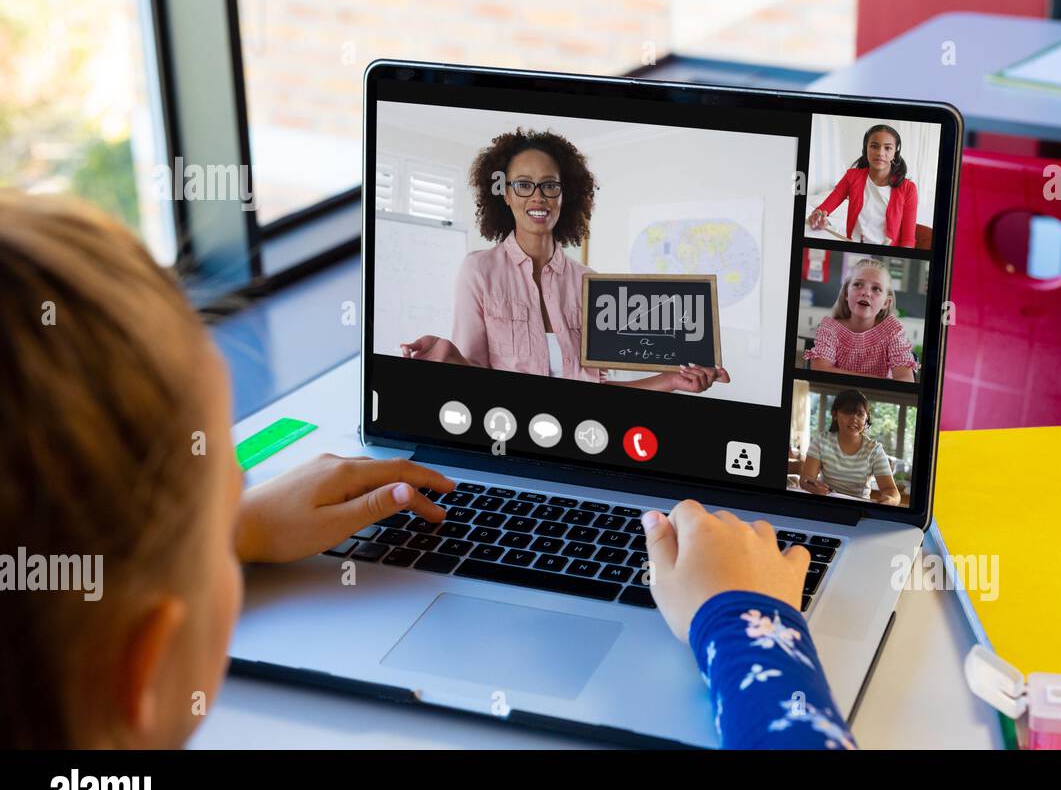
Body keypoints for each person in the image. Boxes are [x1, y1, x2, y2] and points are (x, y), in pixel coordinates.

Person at [1, 191, 852, 749]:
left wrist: (224, 531)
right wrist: (742, 621)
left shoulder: (583, 282)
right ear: (143, 671)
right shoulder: (480, 273)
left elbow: (599, 382)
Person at [401, 129, 730, 394]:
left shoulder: (592, 284)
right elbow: (473, 380)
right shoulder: (479, 271)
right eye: (523, 184)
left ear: (564, 193)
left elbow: (600, 393)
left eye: (550, 185)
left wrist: (671, 379)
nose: (538, 196)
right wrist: (445, 355)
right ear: (504, 192)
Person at [806, 123, 919, 248]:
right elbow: (824, 209)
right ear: (866, 148)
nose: (880, 153)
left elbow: (908, 240)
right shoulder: (852, 176)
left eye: (887, 148)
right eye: (874, 146)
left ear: (895, 153)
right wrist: (817, 217)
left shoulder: (908, 189)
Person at [805, 258, 918, 381]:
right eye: (858, 285)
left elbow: (905, 379)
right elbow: (820, 371)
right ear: (846, 294)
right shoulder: (829, 326)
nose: (866, 293)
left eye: (876, 289)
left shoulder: (893, 330)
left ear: (886, 302)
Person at [799, 389, 902, 505]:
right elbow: (805, 479)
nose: (854, 419)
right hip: (826, 504)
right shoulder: (821, 441)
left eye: (860, 414)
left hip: (859, 510)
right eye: (847, 412)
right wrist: (813, 487)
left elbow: (891, 491)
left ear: (866, 418)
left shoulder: (875, 450)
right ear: (834, 414)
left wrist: (891, 500)